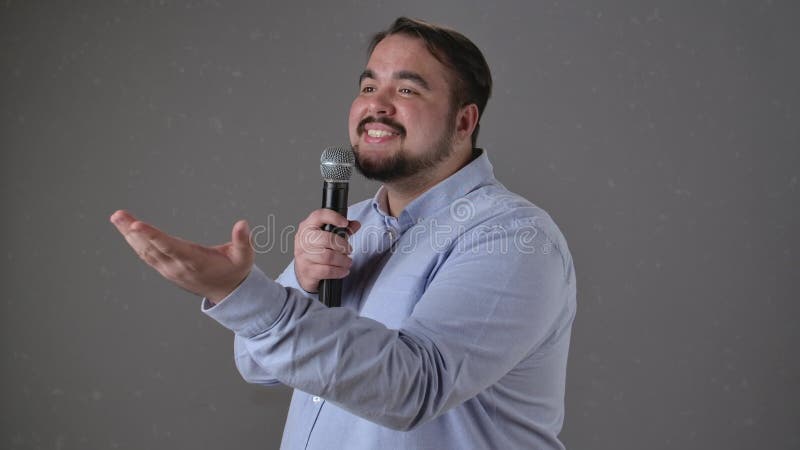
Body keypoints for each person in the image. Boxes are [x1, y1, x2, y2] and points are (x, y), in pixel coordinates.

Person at [110, 17, 577, 450]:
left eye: (407, 90)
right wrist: (301, 288)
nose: (376, 104)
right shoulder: (353, 221)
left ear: (463, 121)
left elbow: (413, 389)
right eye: (369, 85)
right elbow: (259, 367)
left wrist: (237, 290)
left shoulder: (512, 238)